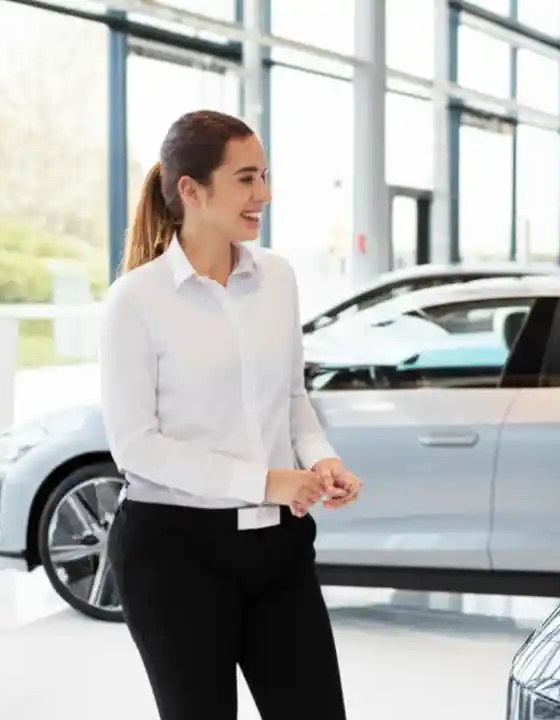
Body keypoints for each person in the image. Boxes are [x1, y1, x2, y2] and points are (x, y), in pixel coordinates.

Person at [101, 109, 363, 720]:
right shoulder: (135, 300)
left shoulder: (277, 279)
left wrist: (323, 462)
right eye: (246, 179)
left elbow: (292, 400)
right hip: (174, 556)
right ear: (191, 190)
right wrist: (266, 481)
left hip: (279, 546)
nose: (263, 195)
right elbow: (136, 446)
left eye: (264, 176)